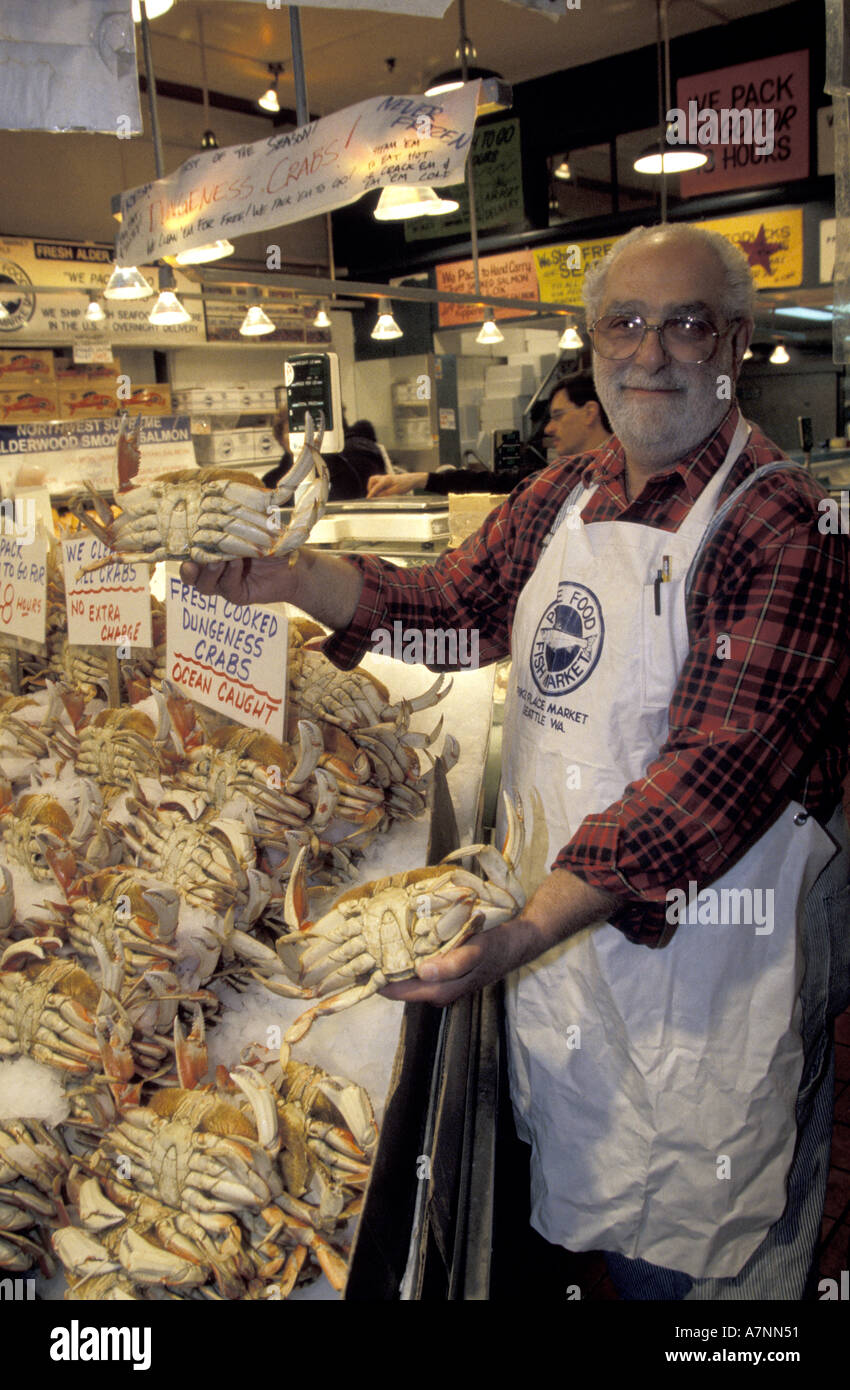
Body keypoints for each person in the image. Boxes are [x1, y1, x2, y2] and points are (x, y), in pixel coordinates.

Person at [182, 224, 850, 1300]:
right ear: (589, 344)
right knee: (595, 1199)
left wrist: (526, 927)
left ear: (735, 342)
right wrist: (289, 579)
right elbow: (451, 607)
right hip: (575, 940)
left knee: (705, 1244)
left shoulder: (782, 519)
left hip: (712, 953)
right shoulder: (567, 492)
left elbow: (713, 779)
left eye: (683, 324)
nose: (650, 353)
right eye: (621, 324)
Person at [365, 372, 611, 498]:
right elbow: (491, 483)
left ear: (590, 412)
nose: (548, 428)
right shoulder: (560, 477)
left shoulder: (622, 478)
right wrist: (418, 480)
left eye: (557, 416)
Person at [262, 411, 388, 500]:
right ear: (280, 439)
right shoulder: (271, 481)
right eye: (297, 430)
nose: (307, 435)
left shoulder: (345, 469)